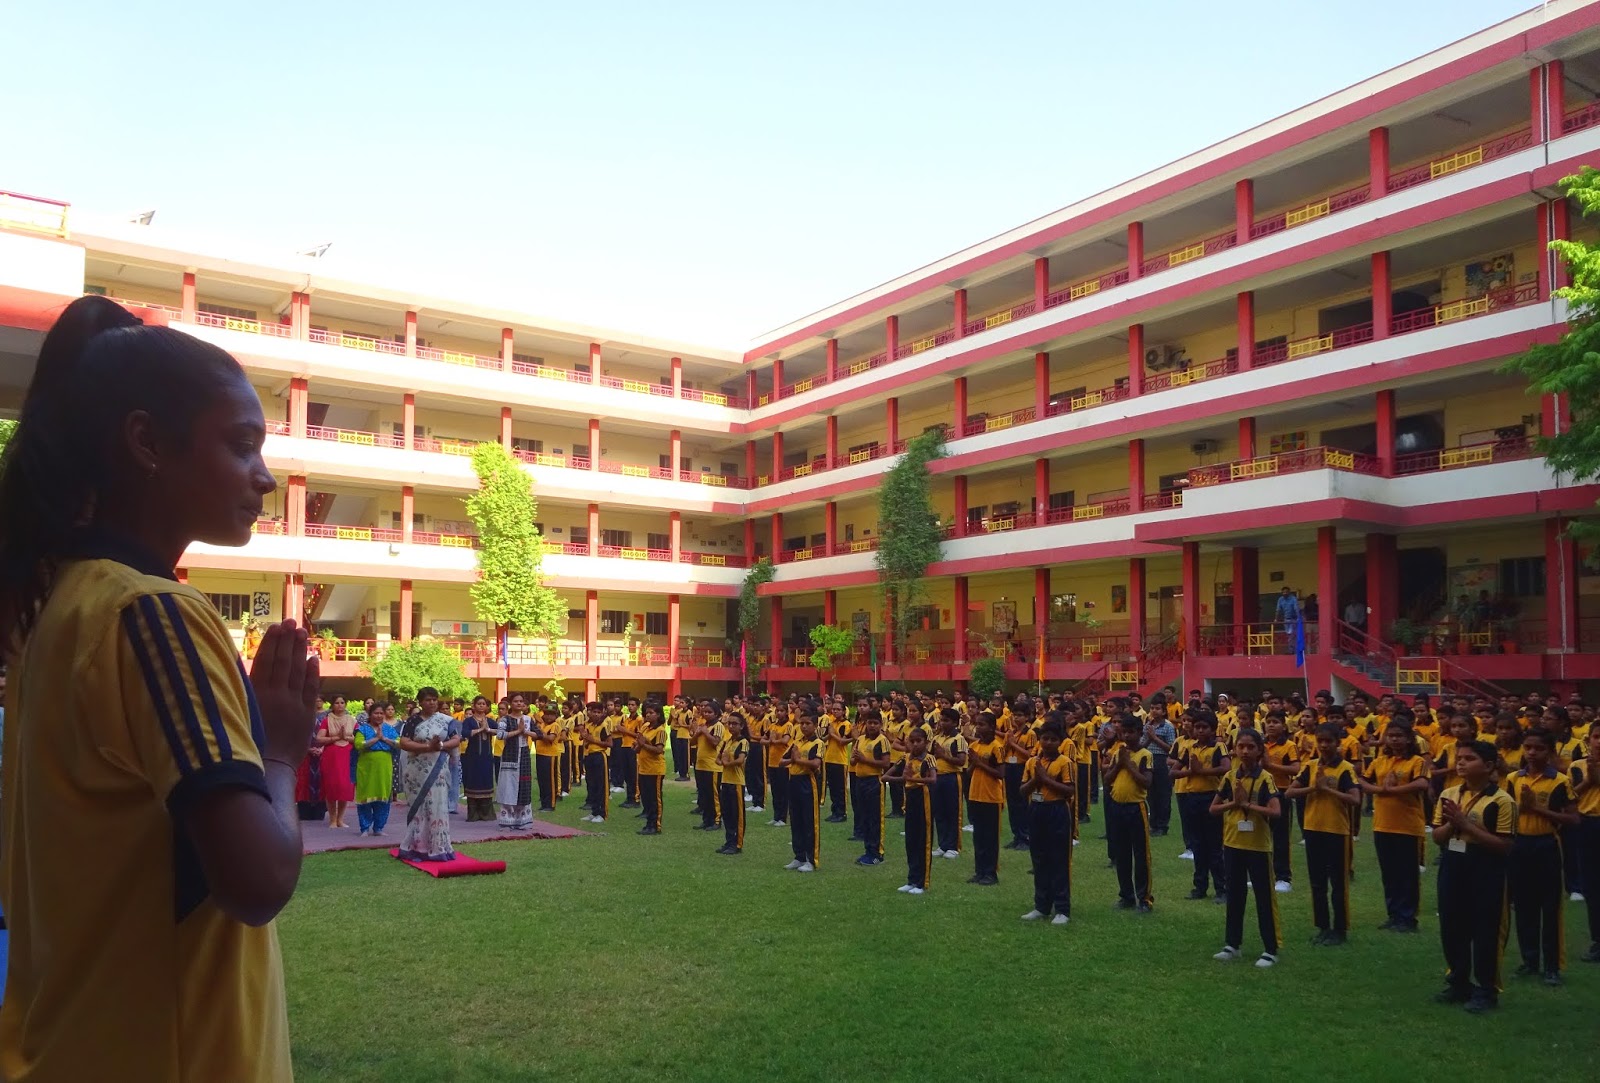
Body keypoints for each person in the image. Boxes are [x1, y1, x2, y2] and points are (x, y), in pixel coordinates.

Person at [0, 297, 319, 1080]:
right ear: (146, 441)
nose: (265, 476)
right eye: (241, 444)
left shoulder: (53, 608)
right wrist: (278, 749)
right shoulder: (153, 614)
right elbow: (256, 879)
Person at [1433, 739, 1516, 1012]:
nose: (1461, 762)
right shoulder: (1449, 793)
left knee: (1485, 931)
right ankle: (1458, 982)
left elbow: (1504, 846)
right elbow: (1437, 836)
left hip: (1486, 868)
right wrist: (1452, 825)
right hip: (1453, 863)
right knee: (1452, 926)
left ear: (1489, 766)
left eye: (1469, 758)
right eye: (1459, 758)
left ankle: (1486, 989)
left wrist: (1465, 824)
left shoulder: (1502, 801)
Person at [1507, 728, 1578, 985]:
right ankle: (1529, 960)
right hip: (1520, 845)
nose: (1532, 753)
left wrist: (1537, 808)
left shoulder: (1559, 780)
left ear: (1549, 751)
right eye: (1527, 747)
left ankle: (1552, 966)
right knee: (1524, 905)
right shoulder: (1514, 778)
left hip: (1546, 844)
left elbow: (1572, 818)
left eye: (1538, 748)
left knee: (1550, 907)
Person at [1209, 728, 1283, 968]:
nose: (1245, 751)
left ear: (1260, 750)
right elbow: (1214, 809)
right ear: (1235, 749)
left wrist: (1248, 805)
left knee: (1264, 897)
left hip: (1258, 847)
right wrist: (1234, 803)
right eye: (1241, 746)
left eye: (1251, 747)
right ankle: (1232, 944)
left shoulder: (1265, 779)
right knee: (1235, 895)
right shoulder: (1230, 777)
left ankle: (1270, 949)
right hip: (1232, 843)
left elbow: (1275, 811)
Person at [1285, 723, 1359, 945]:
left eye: (1329, 741)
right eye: (1321, 741)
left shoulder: (1345, 768)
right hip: (1313, 829)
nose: (1324, 745)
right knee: (1317, 882)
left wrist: (1328, 790)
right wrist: (1313, 789)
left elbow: (1355, 799)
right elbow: (1289, 792)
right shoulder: (1310, 765)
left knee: (1338, 882)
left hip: (1336, 830)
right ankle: (1323, 926)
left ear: (1338, 743)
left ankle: (1340, 929)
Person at [1360, 722, 1431, 933]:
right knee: (1389, 873)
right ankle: (1393, 914)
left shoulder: (1417, 761)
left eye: (1399, 736)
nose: (1394, 740)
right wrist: (1382, 789)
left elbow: (1422, 784)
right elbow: (1362, 783)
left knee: (1407, 874)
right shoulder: (1380, 761)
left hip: (1407, 826)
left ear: (1409, 739)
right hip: (1382, 825)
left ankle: (1408, 918)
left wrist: (1393, 790)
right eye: (1390, 736)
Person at [1020, 722, 1075, 924]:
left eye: (1053, 739)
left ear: (1060, 741)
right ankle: (1041, 906)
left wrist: (1045, 779)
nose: (1048, 742)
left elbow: (1069, 791)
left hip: (1057, 810)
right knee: (1039, 859)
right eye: (1045, 738)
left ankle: (1062, 908)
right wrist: (1036, 780)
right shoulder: (1032, 762)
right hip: (1036, 810)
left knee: (1058, 859)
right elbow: (1022, 790)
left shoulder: (1065, 762)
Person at [1172, 711, 1228, 902]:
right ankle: (1200, 886)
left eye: (1204, 727)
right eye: (1197, 727)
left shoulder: (1218, 747)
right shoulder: (1190, 748)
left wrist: (1202, 771)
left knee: (1214, 846)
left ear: (1213, 730)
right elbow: (1173, 772)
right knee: (1197, 844)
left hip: (1212, 798)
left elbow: (1225, 768)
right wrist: (1190, 771)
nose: (1200, 730)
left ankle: (1222, 888)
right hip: (1192, 798)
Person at [397, 688, 458, 861]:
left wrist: (440, 746)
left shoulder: (445, 720)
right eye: (428, 700)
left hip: (438, 770)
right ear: (420, 702)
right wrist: (426, 747)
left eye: (434, 699)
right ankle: (416, 847)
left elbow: (456, 739)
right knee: (419, 807)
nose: (432, 702)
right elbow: (404, 742)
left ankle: (438, 847)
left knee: (437, 805)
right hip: (417, 771)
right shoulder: (412, 721)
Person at [1103, 714, 1154, 912]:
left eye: (1131, 732)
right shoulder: (1118, 753)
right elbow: (1107, 779)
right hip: (1117, 807)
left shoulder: (1144, 755)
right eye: (1124, 732)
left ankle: (1145, 898)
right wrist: (1119, 764)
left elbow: (1146, 782)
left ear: (1140, 733)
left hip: (1136, 807)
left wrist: (1129, 766)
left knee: (1141, 855)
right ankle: (1126, 895)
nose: (1127, 736)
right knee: (1122, 854)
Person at [890, 727, 936, 894]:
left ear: (926, 743)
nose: (915, 744)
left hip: (923, 799)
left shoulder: (929, 759)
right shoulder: (906, 758)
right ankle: (912, 878)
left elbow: (932, 779)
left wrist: (912, 778)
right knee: (911, 840)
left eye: (919, 741)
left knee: (923, 840)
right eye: (912, 741)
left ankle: (922, 882)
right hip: (910, 799)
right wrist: (902, 777)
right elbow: (886, 776)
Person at [1570, 726, 1600, 962]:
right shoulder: (1577, 766)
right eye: (1597, 737)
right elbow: (1570, 797)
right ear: (1589, 740)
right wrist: (1590, 781)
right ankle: (1597, 940)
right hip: (1587, 826)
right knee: (1592, 885)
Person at [966, 712, 1006, 885]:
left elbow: (1000, 774)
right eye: (977, 724)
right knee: (979, 836)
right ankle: (979, 871)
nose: (978, 728)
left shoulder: (997, 747)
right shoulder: (974, 745)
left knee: (990, 837)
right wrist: (973, 763)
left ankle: (991, 873)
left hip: (991, 797)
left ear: (991, 727)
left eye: (982, 724)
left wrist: (979, 762)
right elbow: (969, 771)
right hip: (976, 795)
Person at [781, 711, 823, 872]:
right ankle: (799, 856)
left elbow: (815, 763)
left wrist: (797, 760)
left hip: (808, 783)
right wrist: (793, 759)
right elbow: (781, 761)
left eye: (808, 723)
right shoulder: (797, 742)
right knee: (796, 820)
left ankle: (811, 859)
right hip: (794, 782)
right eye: (802, 723)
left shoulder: (817, 743)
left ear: (815, 725)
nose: (804, 726)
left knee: (809, 821)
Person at [849, 713, 891, 866]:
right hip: (860, 781)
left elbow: (886, 763)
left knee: (875, 818)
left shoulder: (882, 741)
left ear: (880, 724)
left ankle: (877, 853)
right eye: (869, 723)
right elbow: (853, 761)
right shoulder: (860, 739)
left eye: (875, 723)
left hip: (874, 782)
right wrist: (855, 759)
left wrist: (865, 759)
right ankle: (868, 850)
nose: (872, 726)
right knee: (865, 816)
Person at [354, 704, 399, 836]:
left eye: (381, 713)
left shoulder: (388, 729)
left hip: (384, 767)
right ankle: (365, 828)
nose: (378, 716)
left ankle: (378, 827)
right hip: (366, 768)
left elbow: (399, 743)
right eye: (376, 713)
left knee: (383, 797)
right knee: (365, 798)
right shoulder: (363, 729)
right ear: (370, 714)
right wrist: (376, 739)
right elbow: (358, 745)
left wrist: (384, 738)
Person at [930, 708, 968, 858]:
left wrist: (943, 755)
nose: (942, 723)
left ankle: (953, 846)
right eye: (941, 719)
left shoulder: (958, 739)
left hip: (952, 777)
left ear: (954, 722)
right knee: (939, 812)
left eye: (946, 720)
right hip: (937, 777)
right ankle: (942, 844)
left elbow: (961, 760)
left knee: (953, 812)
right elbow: (931, 756)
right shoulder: (937, 738)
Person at [317, 694, 357, 829]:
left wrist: (346, 737)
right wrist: (336, 737)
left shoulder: (352, 720)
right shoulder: (327, 720)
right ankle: (332, 820)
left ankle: (340, 819)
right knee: (332, 786)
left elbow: (359, 739)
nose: (340, 705)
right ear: (332, 705)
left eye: (342, 702)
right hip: (331, 756)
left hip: (347, 755)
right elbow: (319, 739)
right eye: (337, 703)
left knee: (345, 786)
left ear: (346, 704)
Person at [494, 694, 534, 829]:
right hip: (510, 757)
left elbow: (539, 734)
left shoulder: (528, 719)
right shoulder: (505, 719)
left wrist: (526, 732)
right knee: (509, 787)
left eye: (521, 701)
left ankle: (523, 820)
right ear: (510, 703)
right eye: (516, 701)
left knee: (524, 787)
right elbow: (500, 735)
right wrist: (518, 731)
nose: (519, 703)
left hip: (524, 757)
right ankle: (508, 820)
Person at [715, 714, 750, 855]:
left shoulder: (743, 742)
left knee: (738, 815)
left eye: (735, 724)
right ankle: (729, 841)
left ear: (741, 726)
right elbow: (717, 760)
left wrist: (727, 763)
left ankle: (738, 843)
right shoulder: (727, 741)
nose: (731, 726)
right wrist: (723, 762)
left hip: (737, 782)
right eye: (729, 723)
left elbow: (741, 760)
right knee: (727, 814)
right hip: (726, 781)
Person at [635, 703, 668, 835]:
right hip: (643, 768)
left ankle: (656, 825)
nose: (648, 715)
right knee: (646, 798)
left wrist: (644, 744)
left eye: (651, 713)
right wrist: (638, 745)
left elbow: (659, 750)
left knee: (655, 799)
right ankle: (648, 823)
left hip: (655, 769)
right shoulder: (645, 727)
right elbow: (639, 746)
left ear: (658, 715)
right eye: (647, 713)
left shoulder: (660, 731)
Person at [579, 701, 613, 824]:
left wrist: (593, 740)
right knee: (591, 784)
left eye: (599, 712)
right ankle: (594, 811)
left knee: (601, 785)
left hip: (599, 755)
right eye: (594, 712)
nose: (596, 714)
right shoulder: (588, 724)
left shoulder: (603, 725)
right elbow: (584, 739)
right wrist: (584, 737)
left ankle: (602, 813)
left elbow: (609, 743)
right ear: (589, 713)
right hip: (589, 755)